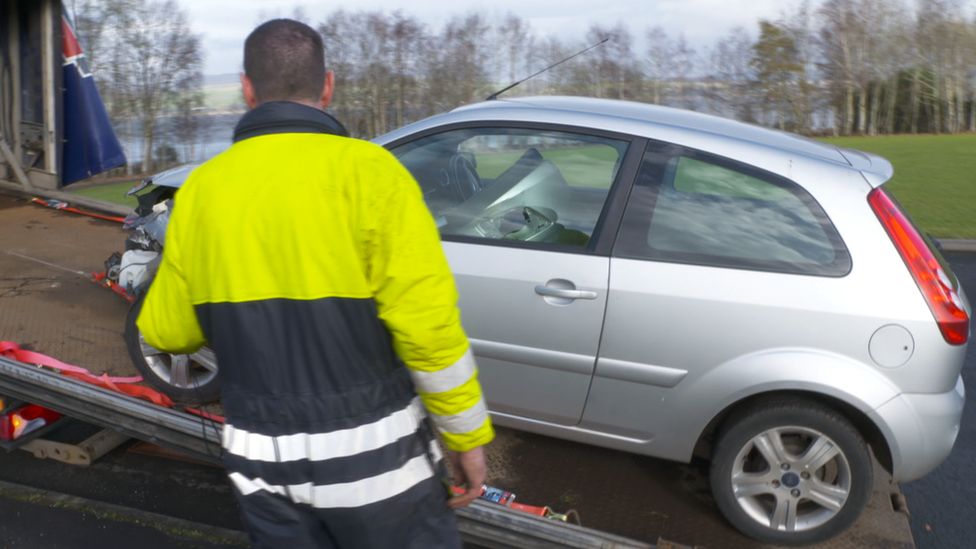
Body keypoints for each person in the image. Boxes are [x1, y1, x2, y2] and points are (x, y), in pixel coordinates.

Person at [137, 18, 493, 548]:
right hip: (381, 470)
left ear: (247, 89)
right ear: (327, 86)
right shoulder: (375, 175)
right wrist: (467, 438)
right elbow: (430, 330)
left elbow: (167, 332)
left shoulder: (201, 192)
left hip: (262, 471)